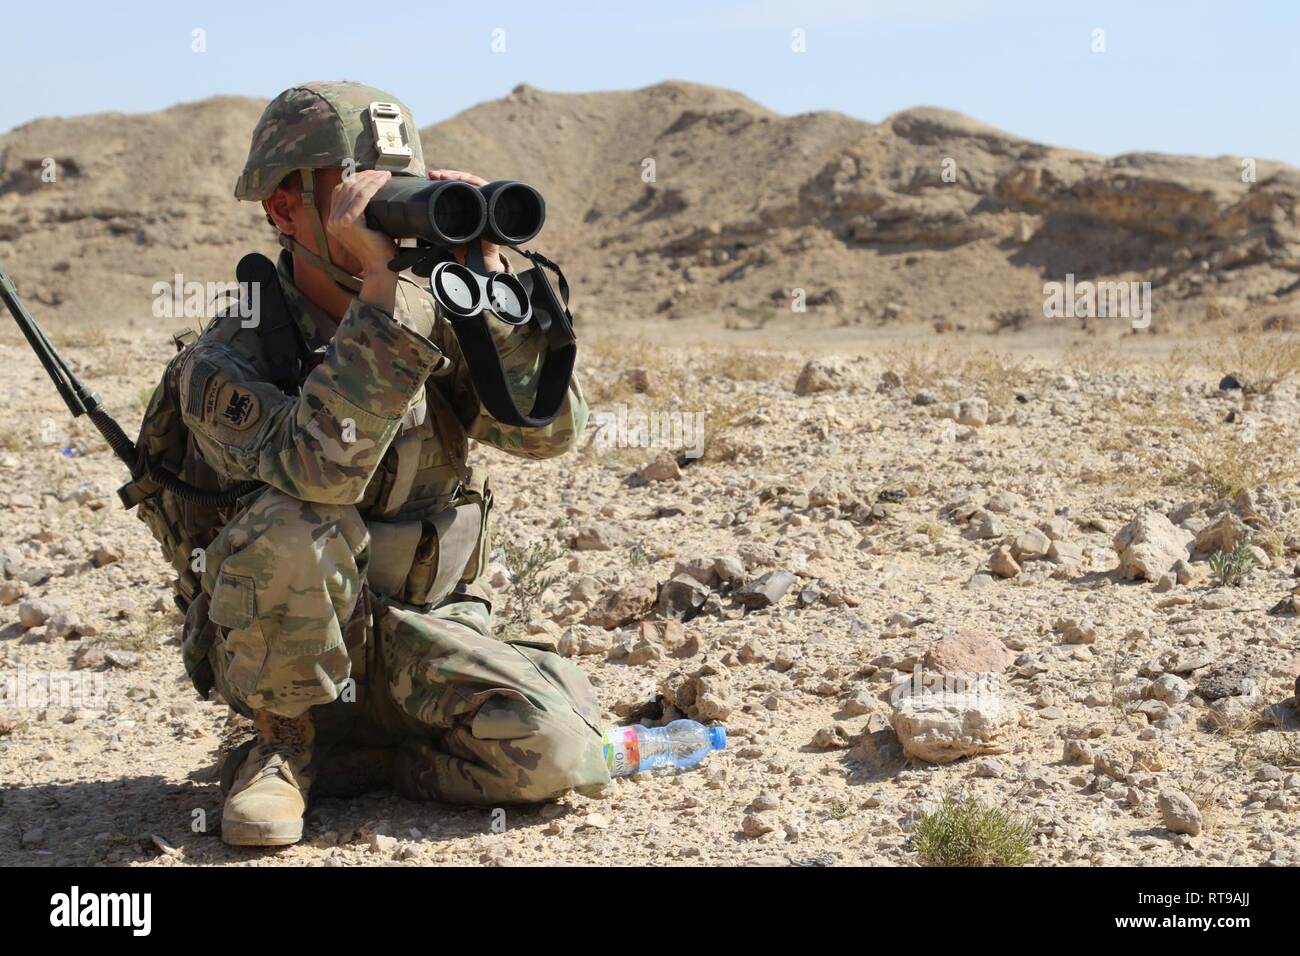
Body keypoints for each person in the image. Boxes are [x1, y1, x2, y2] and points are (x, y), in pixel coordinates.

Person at [172, 80, 607, 846]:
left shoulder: (437, 314)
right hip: (286, 652)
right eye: (360, 193)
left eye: (402, 188)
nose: (388, 210)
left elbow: (546, 436)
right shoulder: (228, 357)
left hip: (417, 631)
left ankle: (372, 765)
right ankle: (285, 745)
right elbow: (319, 471)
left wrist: (494, 295)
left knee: (558, 754)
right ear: (283, 209)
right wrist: (380, 292)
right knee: (293, 514)